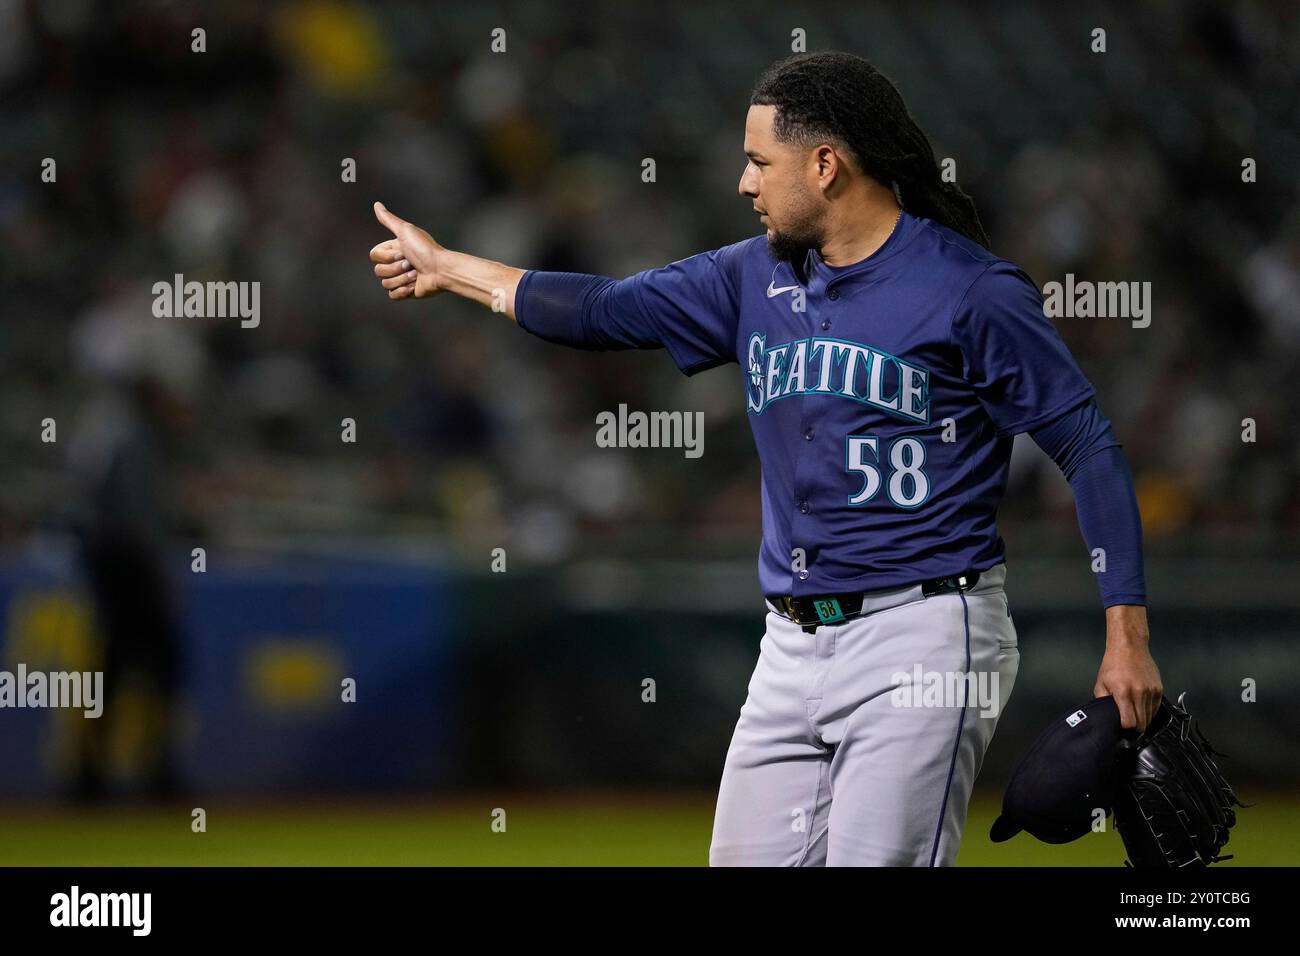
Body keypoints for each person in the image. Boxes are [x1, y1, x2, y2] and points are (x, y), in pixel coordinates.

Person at [367, 51, 1162, 866]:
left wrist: (1125, 635)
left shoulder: (972, 291)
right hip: (788, 644)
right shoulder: (750, 278)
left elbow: (1087, 445)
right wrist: (447, 268)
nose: (744, 184)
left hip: (922, 634)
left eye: (758, 162)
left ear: (825, 165)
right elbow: (600, 309)